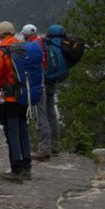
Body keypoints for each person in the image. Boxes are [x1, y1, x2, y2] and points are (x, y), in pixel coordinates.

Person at [0, 21, 31, 182]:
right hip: (24, 95)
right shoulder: (24, 47)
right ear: (13, 33)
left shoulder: (2, 52)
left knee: (12, 131)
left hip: (11, 98)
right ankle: (27, 167)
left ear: (0, 34)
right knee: (23, 129)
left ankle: (16, 169)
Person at [20, 24, 51, 161]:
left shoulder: (31, 47)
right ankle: (49, 146)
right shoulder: (41, 43)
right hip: (44, 82)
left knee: (40, 116)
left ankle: (44, 149)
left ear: (25, 35)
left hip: (37, 85)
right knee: (46, 114)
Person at [42, 24, 69, 155]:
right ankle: (55, 146)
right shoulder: (63, 46)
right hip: (54, 82)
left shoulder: (47, 44)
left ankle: (45, 147)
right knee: (52, 114)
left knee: (42, 115)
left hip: (45, 81)